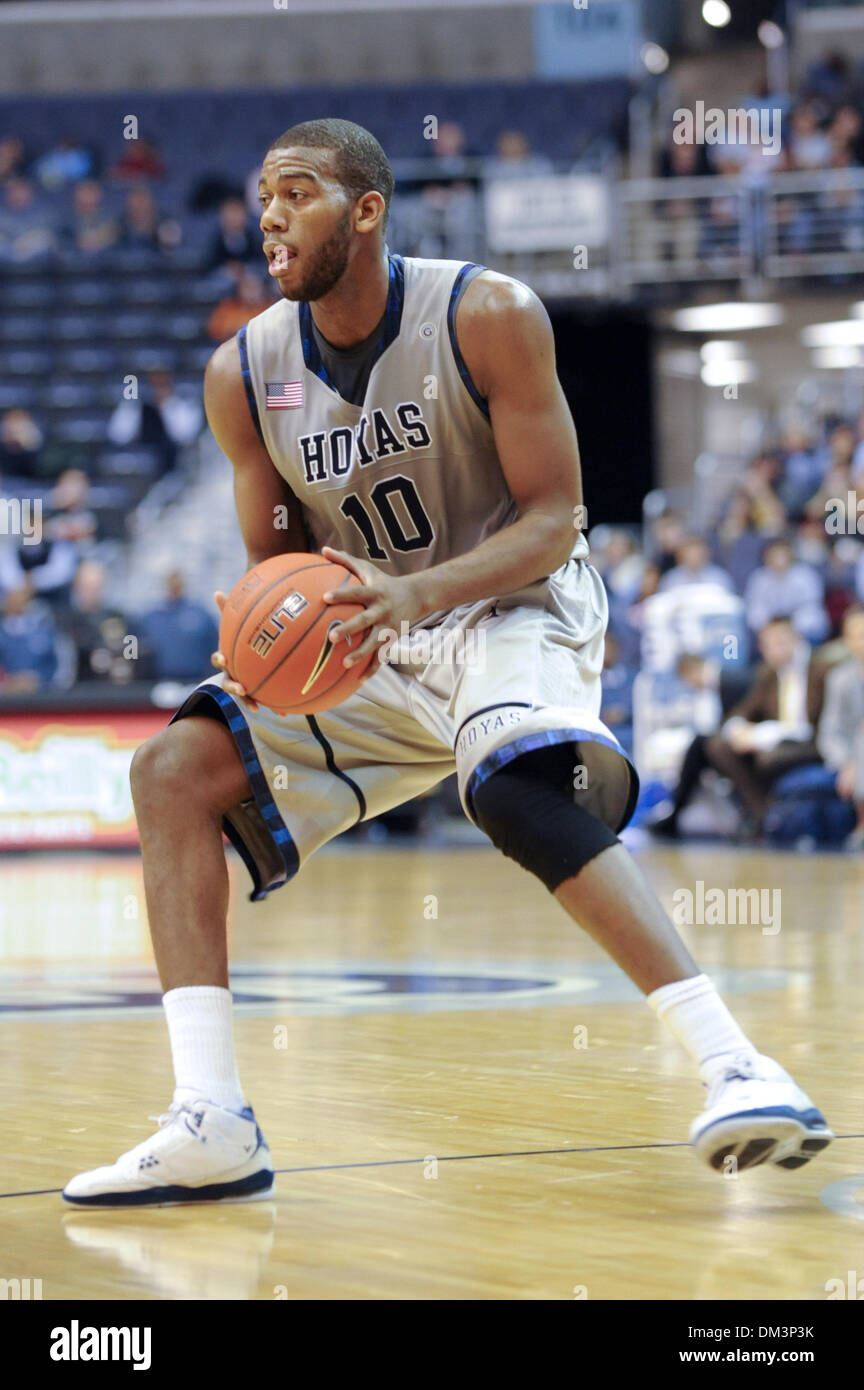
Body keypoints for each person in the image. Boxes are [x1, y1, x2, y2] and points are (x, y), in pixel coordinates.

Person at [63, 118, 832, 1209]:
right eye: (261, 195)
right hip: (374, 631)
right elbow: (275, 565)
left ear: (367, 210)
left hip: (512, 603)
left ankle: (740, 1066)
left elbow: (558, 518)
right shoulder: (244, 373)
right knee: (171, 774)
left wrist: (419, 592)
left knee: (515, 790)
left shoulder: (487, 314)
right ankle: (212, 1119)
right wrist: (293, 635)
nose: (269, 214)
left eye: (299, 192)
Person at [704, 617, 826, 835]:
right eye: (768, 645)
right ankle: (762, 813)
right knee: (717, 745)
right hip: (777, 740)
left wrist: (770, 734)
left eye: (780, 642)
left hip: (815, 741)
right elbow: (743, 710)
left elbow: (821, 723)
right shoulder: (768, 673)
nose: (774, 650)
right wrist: (738, 729)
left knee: (769, 757)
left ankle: (769, 817)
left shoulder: (821, 669)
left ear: (796, 639)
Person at [817, 603, 864, 848]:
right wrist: (846, 763)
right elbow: (830, 732)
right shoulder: (840, 679)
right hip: (853, 758)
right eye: (856, 636)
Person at [138, 571, 220, 682]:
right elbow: (139, 649)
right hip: (162, 682)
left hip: (196, 680)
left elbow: (215, 647)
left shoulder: (200, 613)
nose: (174, 585)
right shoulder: (152, 617)